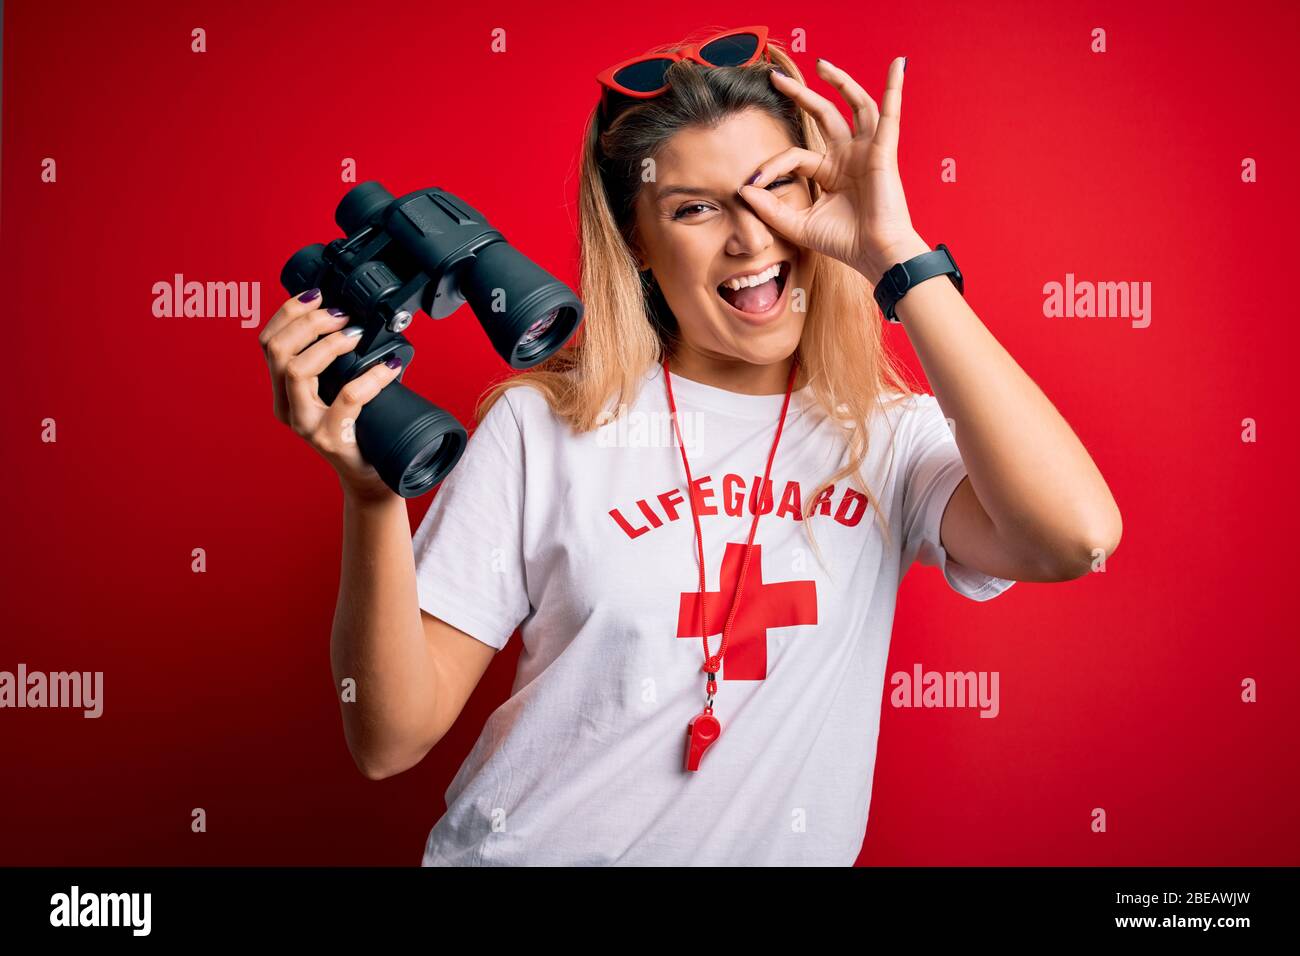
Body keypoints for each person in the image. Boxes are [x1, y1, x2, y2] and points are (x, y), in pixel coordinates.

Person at [257, 27, 1122, 866]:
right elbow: (388, 740)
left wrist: (893, 253)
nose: (750, 239)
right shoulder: (540, 426)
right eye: (696, 209)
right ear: (637, 240)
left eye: (774, 189)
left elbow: (1075, 536)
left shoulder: (888, 442)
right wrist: (373, 499)